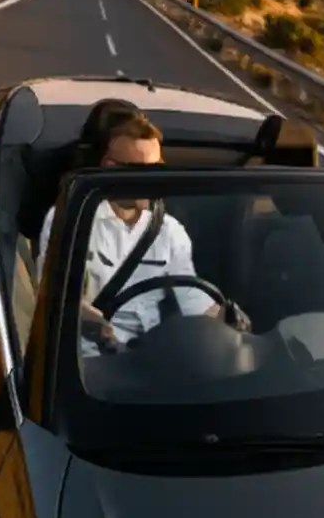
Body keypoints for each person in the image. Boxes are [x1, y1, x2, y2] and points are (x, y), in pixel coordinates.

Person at [37, 112, 233, 354]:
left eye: (157, 168)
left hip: (150, 358)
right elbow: (52, 297)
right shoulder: (71, 219)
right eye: (140, 169)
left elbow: (192, 300)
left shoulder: (169, 232)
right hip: (87, 360)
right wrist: (83, 317)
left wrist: (227, 322)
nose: (151, 180)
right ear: (110, 168)